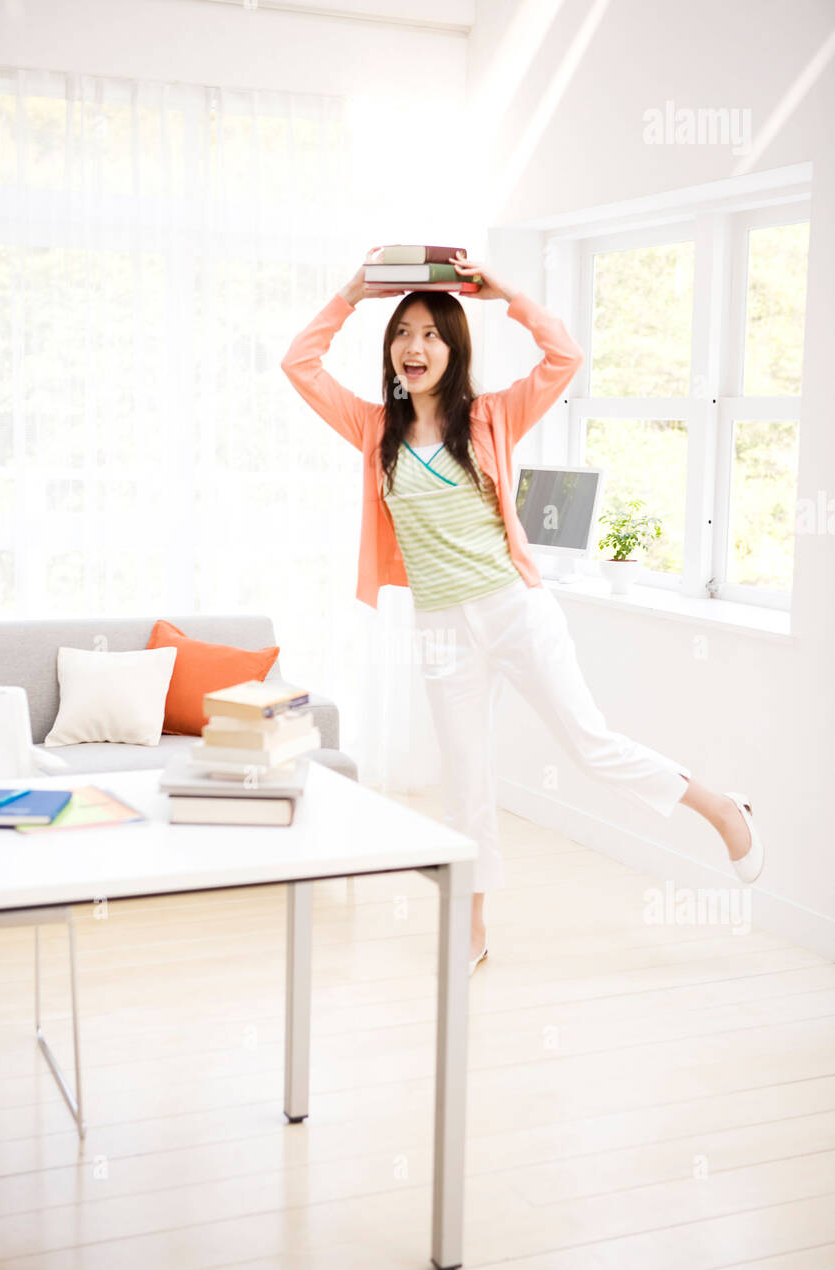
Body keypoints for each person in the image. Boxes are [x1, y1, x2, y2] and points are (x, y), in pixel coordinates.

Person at [281, 247, 764, 975]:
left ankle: (723, 809)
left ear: (454, 347)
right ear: (390, 349)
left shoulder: (494, 417)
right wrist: (350, 293)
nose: (415, 347)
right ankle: (473, 928)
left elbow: (564, 355)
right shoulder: (373, 428)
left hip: (513, 609)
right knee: (468, 779)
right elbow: (299, 364)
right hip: (442, 628)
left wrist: (504, 291)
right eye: (403, 333)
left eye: (431, 334)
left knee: (589, 743)